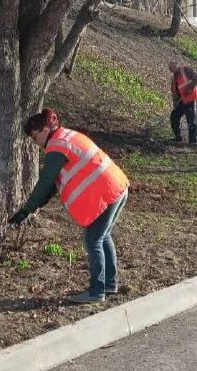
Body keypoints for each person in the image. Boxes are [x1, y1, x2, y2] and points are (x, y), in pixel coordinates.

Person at [9, 108, 130, 303]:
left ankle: (97, 291)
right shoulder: (67, 136)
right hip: (117, 186)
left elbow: (46, 180)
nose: (35, 142)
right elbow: (52, 185)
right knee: (102, 236)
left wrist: (26, 209)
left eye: (34, 136)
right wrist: (33, 207)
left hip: (106, 193)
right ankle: (109, 284)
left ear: (45, 129)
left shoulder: (56, 146)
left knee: (93, 240)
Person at [168, 61, 197, 145]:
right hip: (181, 102)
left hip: (190, 99)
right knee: (174, 117)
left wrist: (190, 87)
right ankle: (178, 137)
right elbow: (174, 92)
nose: (171, 70)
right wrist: (175, 103)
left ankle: (192, 141)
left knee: (191, 121)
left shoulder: (186, 70)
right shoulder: (174, 78)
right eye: (170, 69)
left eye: (171, 67)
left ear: (176, 64)